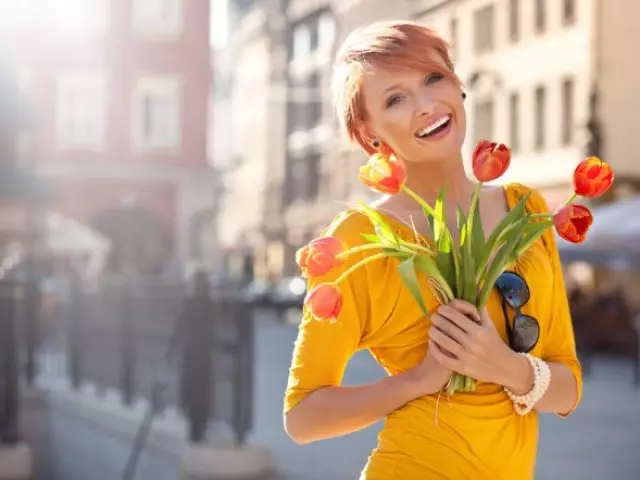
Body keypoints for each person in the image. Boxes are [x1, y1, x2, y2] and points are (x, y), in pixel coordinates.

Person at [283, 21, 582, 479]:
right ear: (370, 134)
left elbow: (567, 387)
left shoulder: (527, 211)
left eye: (432, 78)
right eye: (395, 99)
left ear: (458, 84)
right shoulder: (359, 239)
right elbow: (302, 418)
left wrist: (504, 366)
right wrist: (420, 379)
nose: (425, 105)